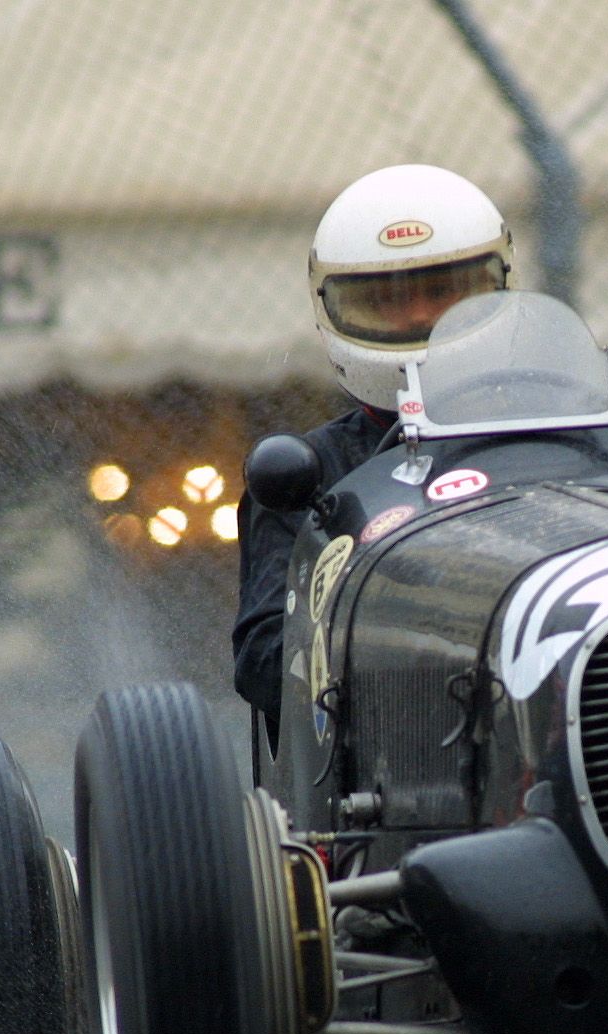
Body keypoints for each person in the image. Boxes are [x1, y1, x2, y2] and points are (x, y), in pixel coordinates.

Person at [232, 164, 514, 734]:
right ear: (334, 307)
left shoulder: (589, 442)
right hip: (399, 751)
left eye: (443, 294)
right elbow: (264, 662)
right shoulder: (306, 477)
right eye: (388, 301)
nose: (419, 318)